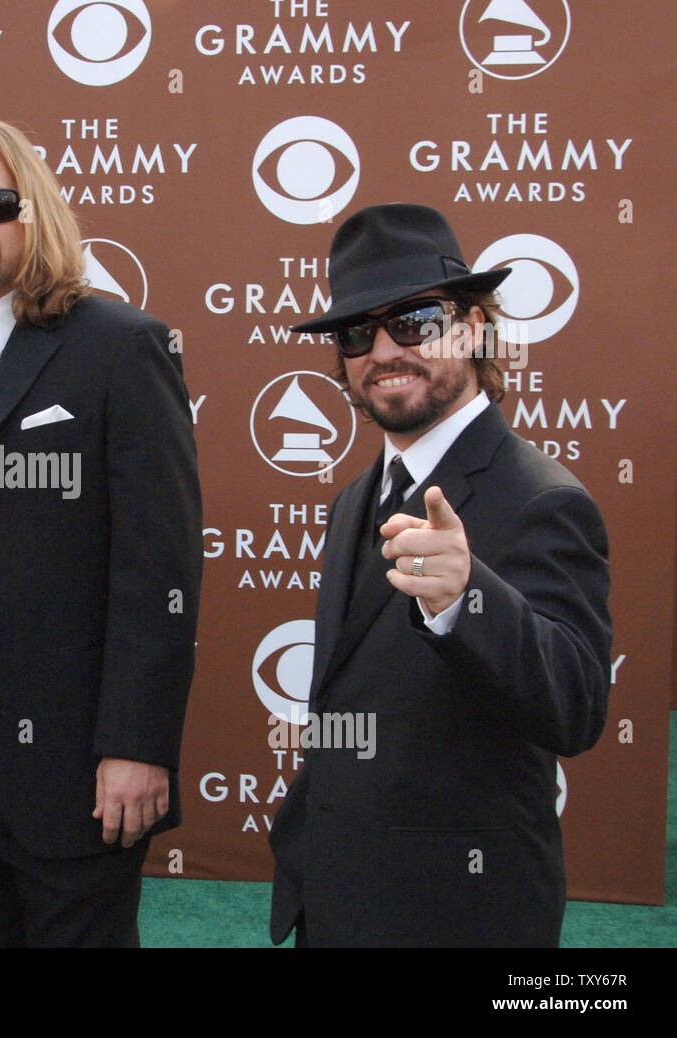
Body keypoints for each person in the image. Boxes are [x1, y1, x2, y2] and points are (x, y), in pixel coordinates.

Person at [0, 115, 201, 947]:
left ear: (34, 212)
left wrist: (137, 744)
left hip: (76, 775)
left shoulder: (121, 347)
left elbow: (155, 566)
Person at [269, 203, 611, 947]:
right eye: (359, 332)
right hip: (336, 904)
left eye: (417, 322)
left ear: (475, 329)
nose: (386, 349)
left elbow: (579, 706)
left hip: (460, 915)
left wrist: (468, 599)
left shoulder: (543, 499)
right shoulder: (353, 500)